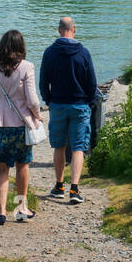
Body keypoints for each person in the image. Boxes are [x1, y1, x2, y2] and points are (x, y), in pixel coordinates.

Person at [0, 29, 43, 225]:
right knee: (22, 166)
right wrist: (37, 116)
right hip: (19, 126)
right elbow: (32, 100)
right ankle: (21, 208)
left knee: (1, 168)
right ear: (21, 46)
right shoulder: (27, 67)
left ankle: (1, 212)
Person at [38, 16, 97, 205]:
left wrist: (49, 100)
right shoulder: (84, 52)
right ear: (74, 29)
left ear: (58, 30)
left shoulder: (50, 52)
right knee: (78, 147)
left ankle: (59, 186)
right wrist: (88, 101)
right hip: (79, 105)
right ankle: (75, 189)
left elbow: (43, 81)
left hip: (58, 104)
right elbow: (91, 82)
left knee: (59, 146)